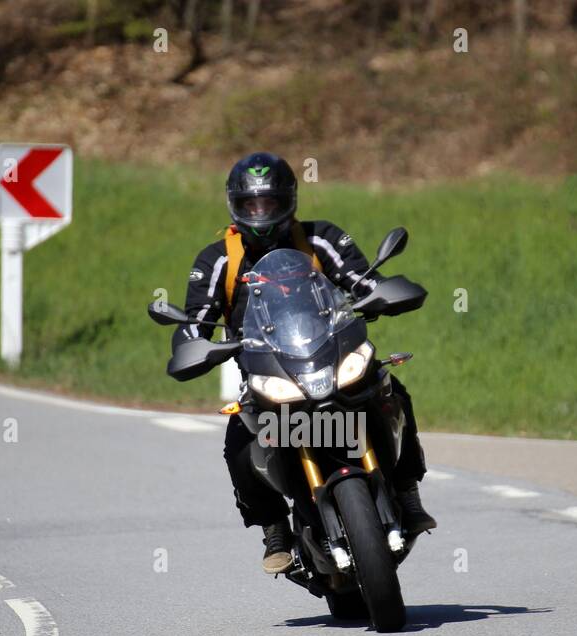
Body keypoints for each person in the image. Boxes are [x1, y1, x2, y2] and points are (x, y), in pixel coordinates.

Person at [173, 151, 435, 573]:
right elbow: (195, 319)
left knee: (393, 391)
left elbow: (361, 279)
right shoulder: (218, 257)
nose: (261, 214)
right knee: (238, 441)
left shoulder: (320, 238)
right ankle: (274, 527)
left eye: (270, 204)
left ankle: (407, 491)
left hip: (334, 356)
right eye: (251, 205)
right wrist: (190, 343)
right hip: (268, 373)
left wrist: (384, 292)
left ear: (289, 201)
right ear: (235, 206)